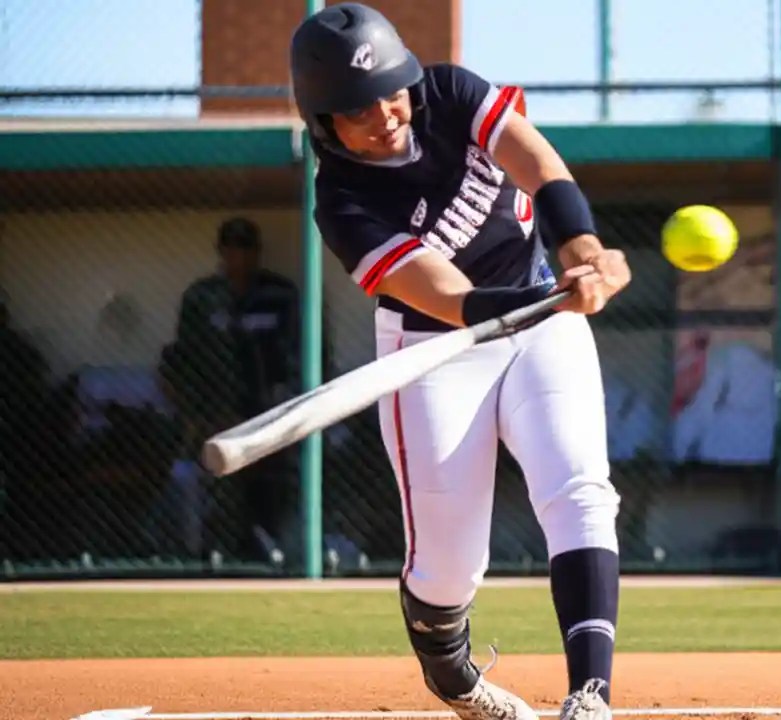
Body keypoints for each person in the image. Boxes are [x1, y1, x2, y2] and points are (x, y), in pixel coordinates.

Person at [289, 5, 630, 720]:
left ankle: (591, 694)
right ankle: (453, 677)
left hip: (544, 323)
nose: (384, 115)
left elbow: (538, 165)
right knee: (449, 567)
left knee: (580, 492)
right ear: (323, 122)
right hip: (433, 352)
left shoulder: (448, 92)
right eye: (357, 109)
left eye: (390, 92)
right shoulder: (342, 202)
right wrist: (548, 299)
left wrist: (584, 252)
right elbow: (448, 296)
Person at [174, 217, 301, 565]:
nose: (239, 257)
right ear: (221, 252)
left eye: (246, 249)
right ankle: (218, 549)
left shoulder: (279, 294)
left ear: (258, 252)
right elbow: (186, 360)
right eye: (232, 249)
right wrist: (197, 415)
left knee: (273, 482)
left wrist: (284, 410)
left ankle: (273, 545)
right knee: (216, 479)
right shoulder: (203, 297)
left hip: (271, 410)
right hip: (217, 411)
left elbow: (300, 356)